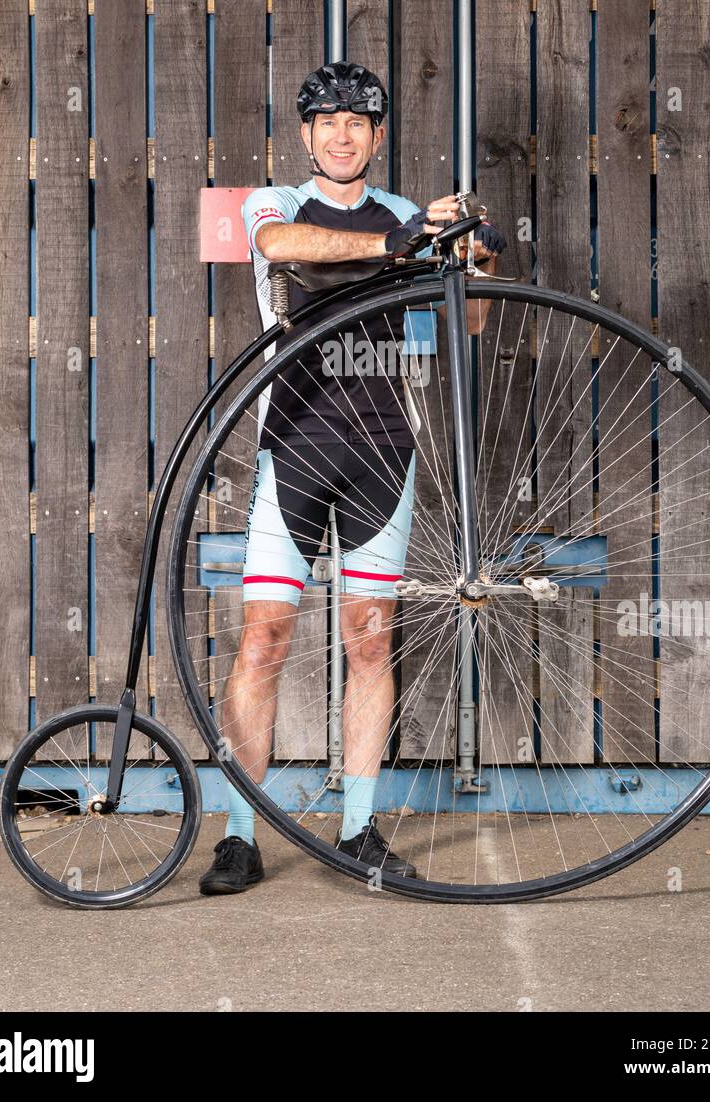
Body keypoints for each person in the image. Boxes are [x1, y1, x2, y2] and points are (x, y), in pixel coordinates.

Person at [199, 61, 506, 895]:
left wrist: (473, 261)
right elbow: (280, 250)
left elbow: (465, 320)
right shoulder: (277, 203)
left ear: (377, 136)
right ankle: (238, 836)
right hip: (291, 446)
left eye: (356, 122)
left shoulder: (407, 212)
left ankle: (360, 828)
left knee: (370, 639)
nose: (340, 133)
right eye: (325, 121)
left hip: (382, 450)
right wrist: (395, 246)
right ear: (305, 136)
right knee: (265, 636)